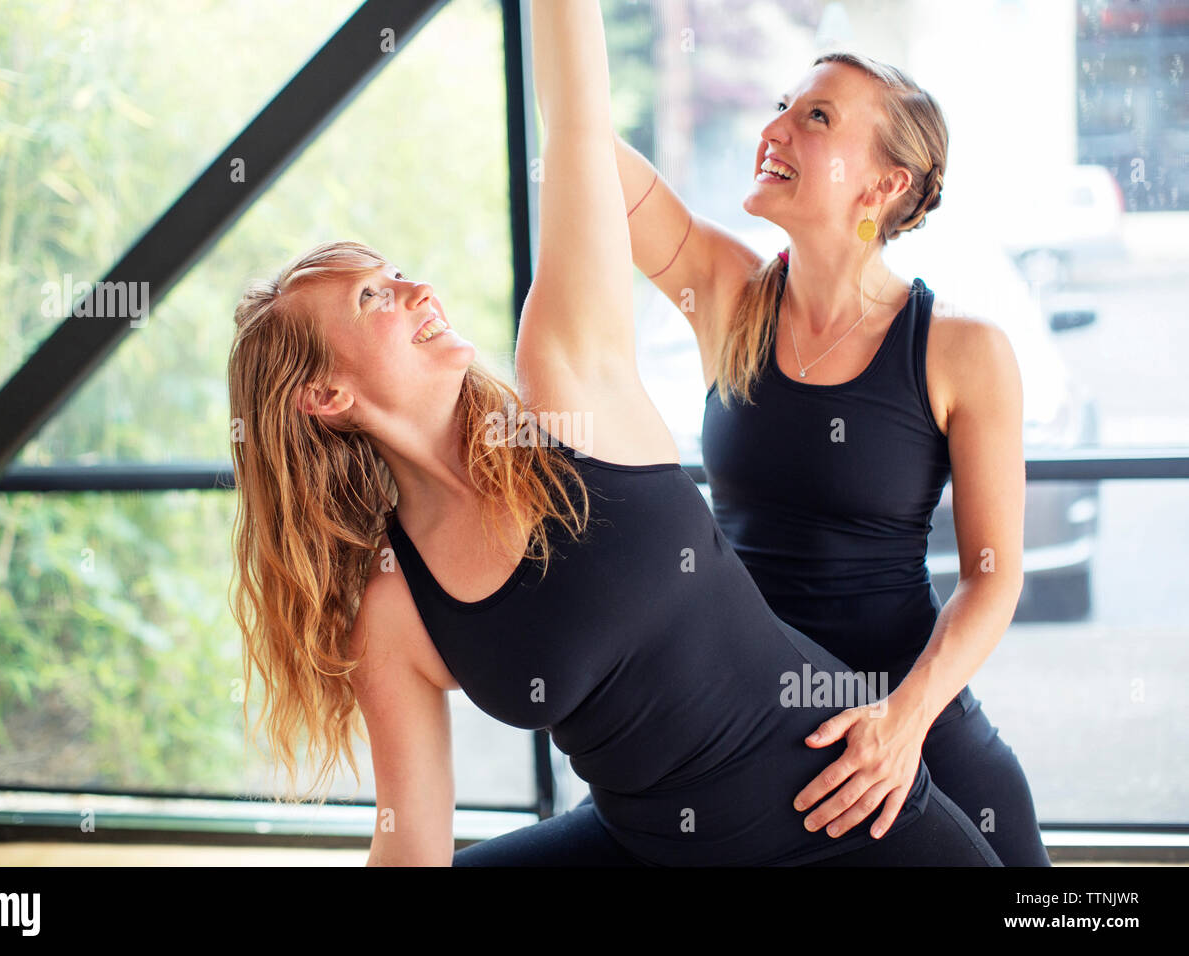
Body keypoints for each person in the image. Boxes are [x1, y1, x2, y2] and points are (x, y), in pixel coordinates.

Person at [225, 0, 1000, 867]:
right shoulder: (393, 603)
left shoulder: (568, 388)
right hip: (648, 847)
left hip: (848, 826)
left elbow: (580, 127)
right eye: (373, 298)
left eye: (399, 274)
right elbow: (411, 840)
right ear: (323, 397)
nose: (416, 292)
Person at [609, 52, 1049, 866]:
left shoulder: (963, 350)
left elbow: (994, 575)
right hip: (741, 734)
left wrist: (903, 723)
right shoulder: (730, 296)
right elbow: (588, 157)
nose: (773, 129)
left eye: (817, 117)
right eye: (783, 105)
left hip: (914, 735)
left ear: (883, 185)